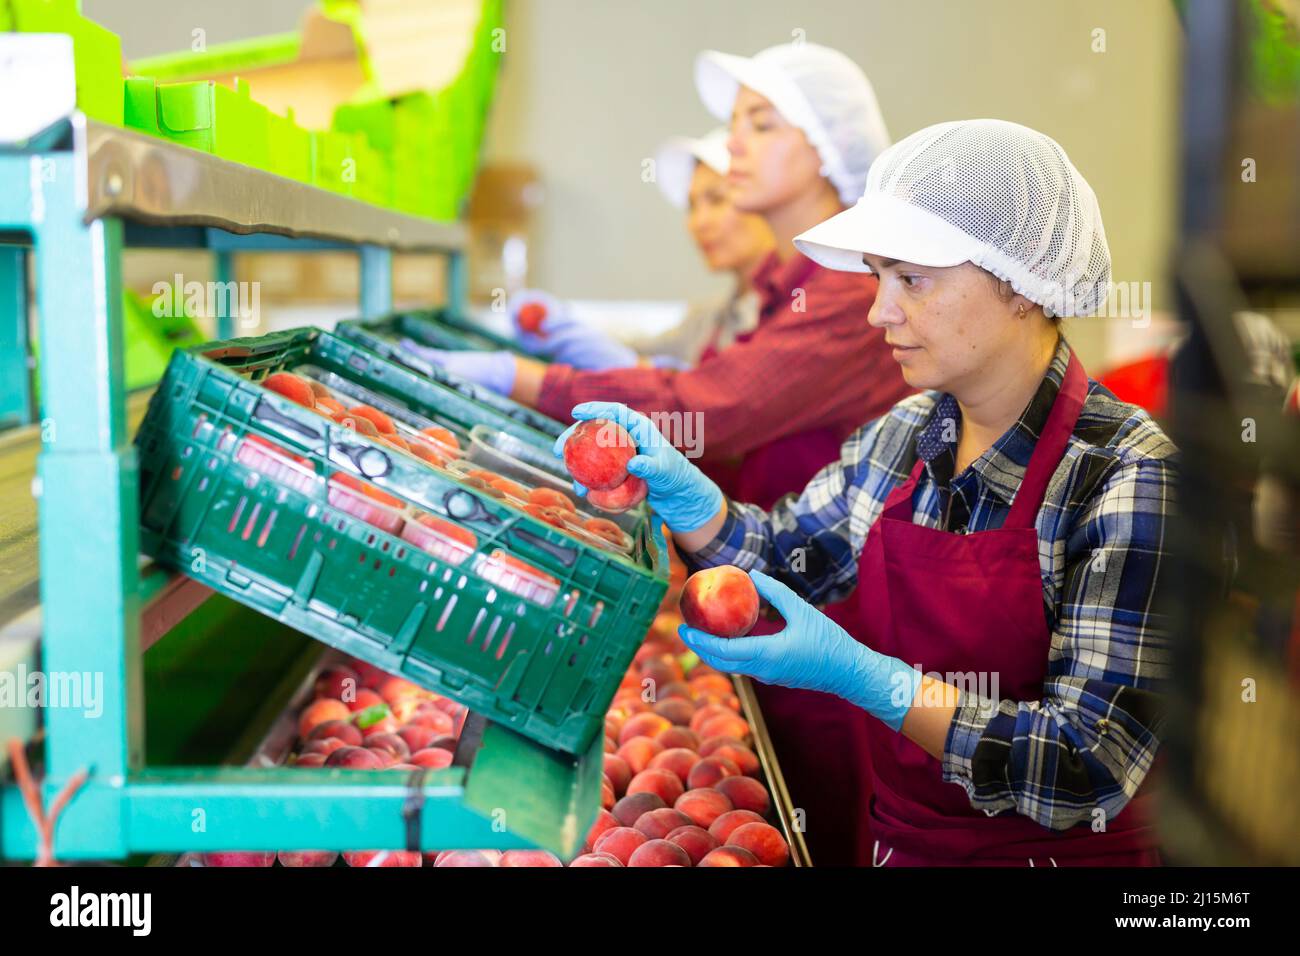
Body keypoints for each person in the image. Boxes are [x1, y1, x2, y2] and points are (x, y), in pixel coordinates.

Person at [557, 119, 1177, 866]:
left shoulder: (1127, 478)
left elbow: (1089, 762)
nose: (880, 312)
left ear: (1018, 283)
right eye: (877, 277)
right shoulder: (905, 435)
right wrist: (688, 500)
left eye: (910, 279)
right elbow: (784, 563)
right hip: (898, 846)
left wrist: (873, 680)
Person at [405, 42, 913, 865]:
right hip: (777, 582)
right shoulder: (802, 286)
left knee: (832, 806)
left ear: (827, 147)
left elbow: (710, 408)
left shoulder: (847, 291)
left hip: (834, 606)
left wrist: (525, 375)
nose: (734, 144)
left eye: (760, 123)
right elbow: (715, 393)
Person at [499, 128, 774, 371]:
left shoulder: (787, 317)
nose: (698, 222)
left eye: (716, 200)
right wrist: (564, 329)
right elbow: (640, 349)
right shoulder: (710, 321)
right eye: (691, 206)